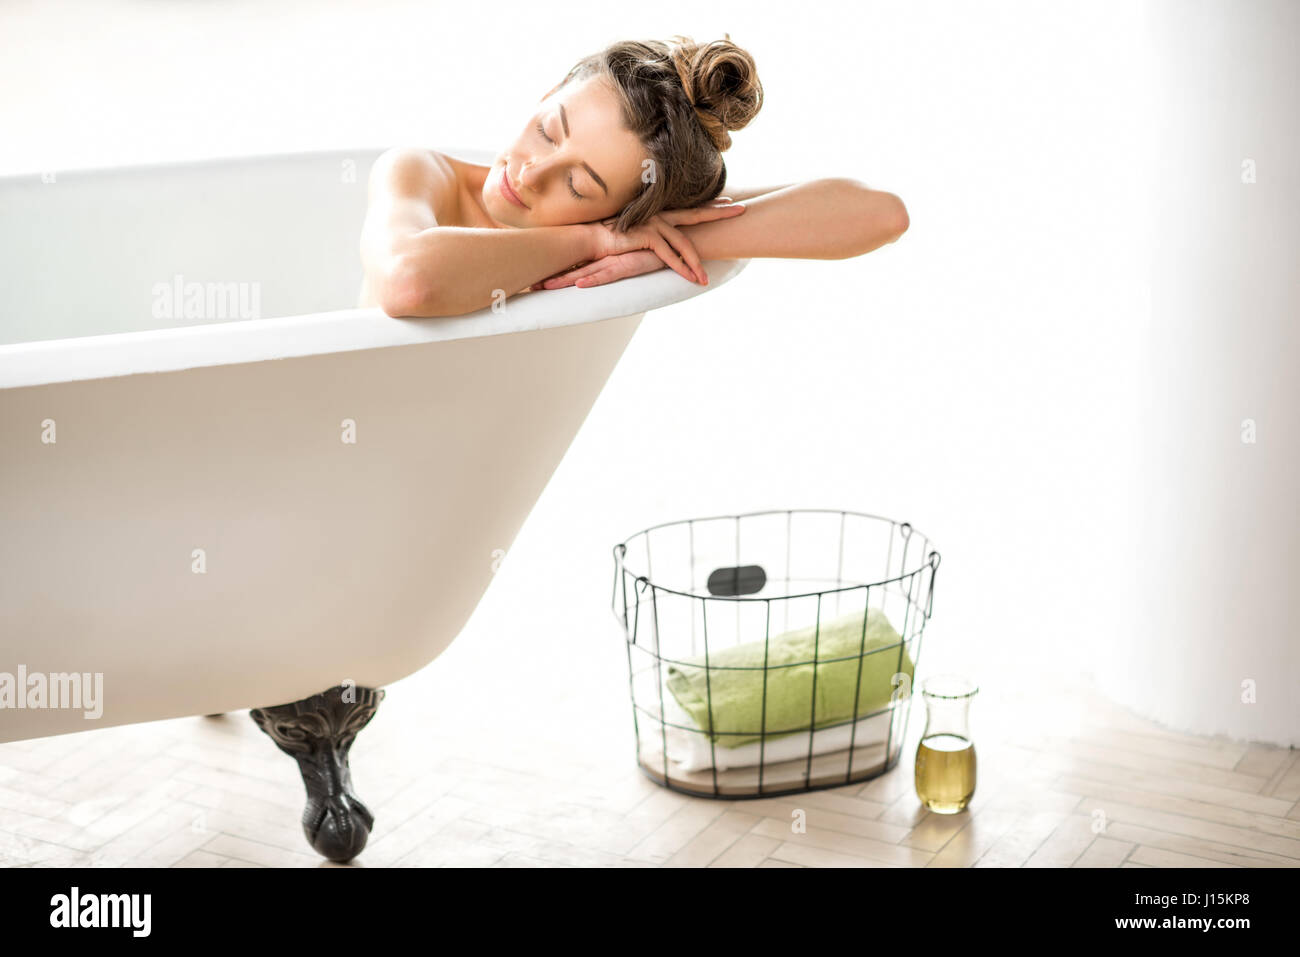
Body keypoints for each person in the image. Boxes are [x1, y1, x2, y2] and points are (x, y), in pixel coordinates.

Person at [359, 34, 908, 318]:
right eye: (550, 130)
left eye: (580, 187)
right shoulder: (420, 171)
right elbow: (409, 281)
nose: (530, 173)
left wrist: (668, 239)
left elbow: (882, 214)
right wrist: (593, 240)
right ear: (550, 91)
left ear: (627, 212)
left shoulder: (634, 227)